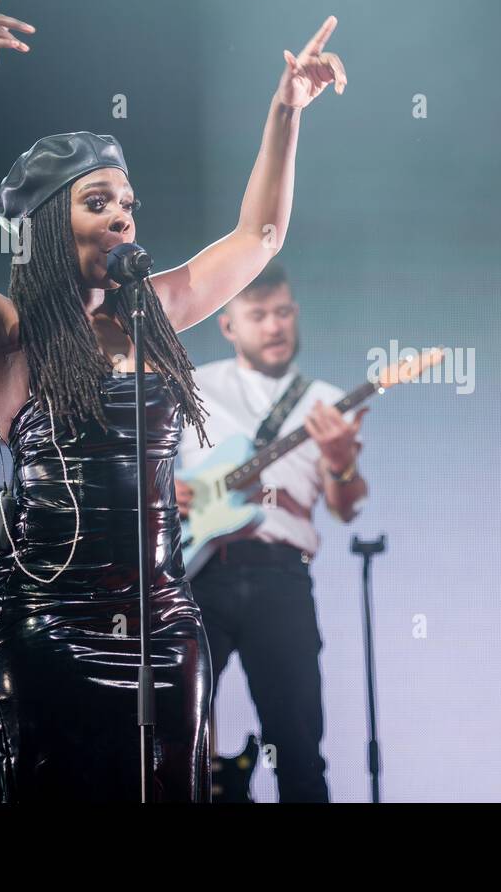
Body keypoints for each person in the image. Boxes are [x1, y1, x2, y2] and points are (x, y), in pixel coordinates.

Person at [0, 0, 347, 801]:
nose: (123, 217)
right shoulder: (6, 334)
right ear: (44, 225)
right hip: (44, 629)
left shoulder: (160, 314)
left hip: (165, 625)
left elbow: (261, 234)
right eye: (98, 201)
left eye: (128, 204)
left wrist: (286, 111)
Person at [175, 261, 368, 802]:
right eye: (257, 315)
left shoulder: (327, 403)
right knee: (172, 738)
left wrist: (340, 463)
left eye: (282, 312)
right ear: (229, 325)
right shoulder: (192, 388)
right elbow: (144, 470)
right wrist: (162, 493)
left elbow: (347, 508)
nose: (274, 326)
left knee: (299, 743)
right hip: (197, 578)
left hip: (281, 577)